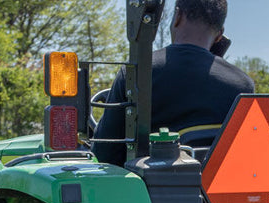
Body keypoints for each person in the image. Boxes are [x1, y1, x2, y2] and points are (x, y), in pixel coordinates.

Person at [93, 0, 254, 165]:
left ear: (177, 16)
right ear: (219, 35)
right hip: (216, 189)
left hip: (149, 190)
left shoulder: (135, 73)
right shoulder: (243, 86)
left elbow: (104, 154)